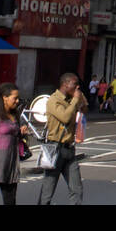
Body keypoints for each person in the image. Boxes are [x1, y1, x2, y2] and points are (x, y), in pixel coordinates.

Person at [38, 73, 87, 205]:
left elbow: (84, 110)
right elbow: (65, 117)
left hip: (69, 149)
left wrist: (80, 99)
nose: (77, 87)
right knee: (49, 188)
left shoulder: (73, 99)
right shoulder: (54, 100)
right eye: (74, 84)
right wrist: (76, 101)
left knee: (76, 188)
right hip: (55, 148)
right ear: (65, 84)